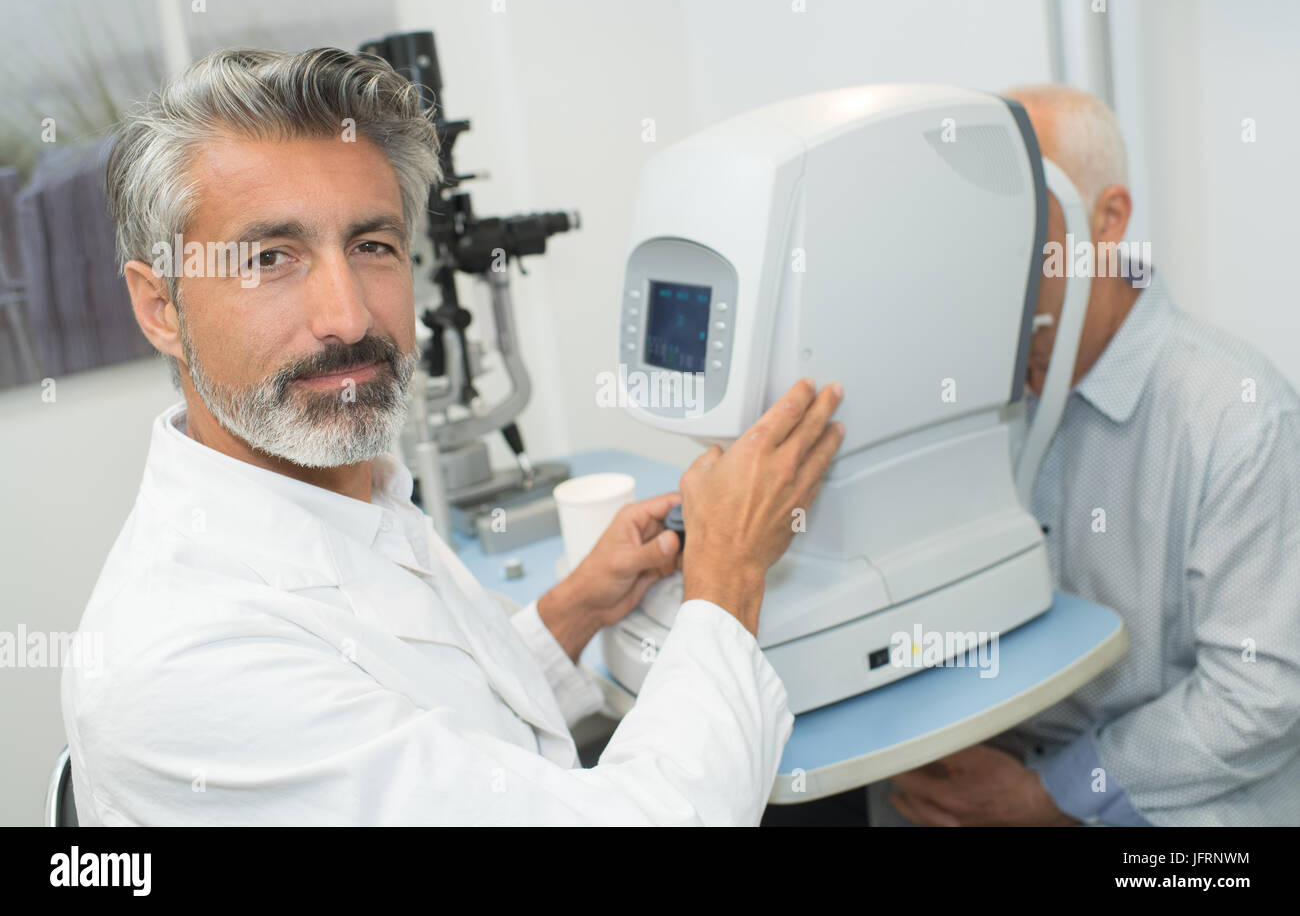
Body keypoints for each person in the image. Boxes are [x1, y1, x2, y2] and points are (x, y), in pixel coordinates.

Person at [62, 47, 845, 825]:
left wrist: (572, 610)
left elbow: (437, 734)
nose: (349, 317)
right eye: (271, 258)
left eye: (372, 246)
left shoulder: (338, 488)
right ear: (160, 306)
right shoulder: (189, 662)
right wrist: (729, 570)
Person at [871, 84, 1300, 827]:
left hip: (1177, 793)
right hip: (993, 757)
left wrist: (1050, 796)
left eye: (1024, 213)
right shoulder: (959, 389)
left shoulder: (1235, 416)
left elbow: (1257, 696)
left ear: (1108, 220)